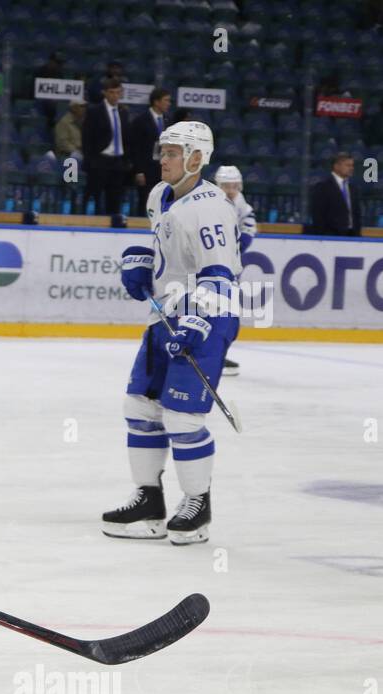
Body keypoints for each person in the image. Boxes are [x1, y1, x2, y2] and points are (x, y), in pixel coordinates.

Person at [105, 121, 239, 545]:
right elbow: (166, 249)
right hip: (164, 315)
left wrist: (198, 322)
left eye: (172, 153)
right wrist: (142, 264)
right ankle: (148, 500)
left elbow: (219, 275)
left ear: (197, 158)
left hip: (208, 317)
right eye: (162, 151)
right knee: (140, 407)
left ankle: (198, 506)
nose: (162, 160)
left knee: (182, 416)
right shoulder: (159, 195)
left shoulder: (211, 207)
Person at [214, 165, 255, 377]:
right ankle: (204, 353)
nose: (231, 190)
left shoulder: (243, 206)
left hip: (230, 267)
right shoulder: (209, 205)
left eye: (234, 185)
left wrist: (232, 252)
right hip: (209, 265)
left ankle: (217, 354)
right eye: (226, 186)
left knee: (228, 314)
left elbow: (248, 232)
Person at [81, 76, 131, 216]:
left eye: (117, 92)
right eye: (111, 92)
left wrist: (126, 160)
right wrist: (91, 160)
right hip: (100, 161)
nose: (115, 95)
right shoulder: (94, 111)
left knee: (115, 200)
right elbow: (87, 139)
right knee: (97, 198)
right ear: (105, 93)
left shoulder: (124, 112)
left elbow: (127, 138)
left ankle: (114, 229)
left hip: (118, 162)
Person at [128, 87, 171, 215]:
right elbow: (135, 147)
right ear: (156, 102)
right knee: (145, 200)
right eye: (166, 100)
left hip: (162, 167)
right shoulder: (141, 121)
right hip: (146, 168)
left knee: (161, 199)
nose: (168, 104)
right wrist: (139, 170)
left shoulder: (168, 120)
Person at [308, 152, 361, 236]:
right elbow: (318, 216)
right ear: (336, 166)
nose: (351, 168)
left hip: (351, 237)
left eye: (352, 165)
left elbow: (356, 215)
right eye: (348, 165)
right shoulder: (323, 187)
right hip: (330, 237)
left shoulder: (353, 189)